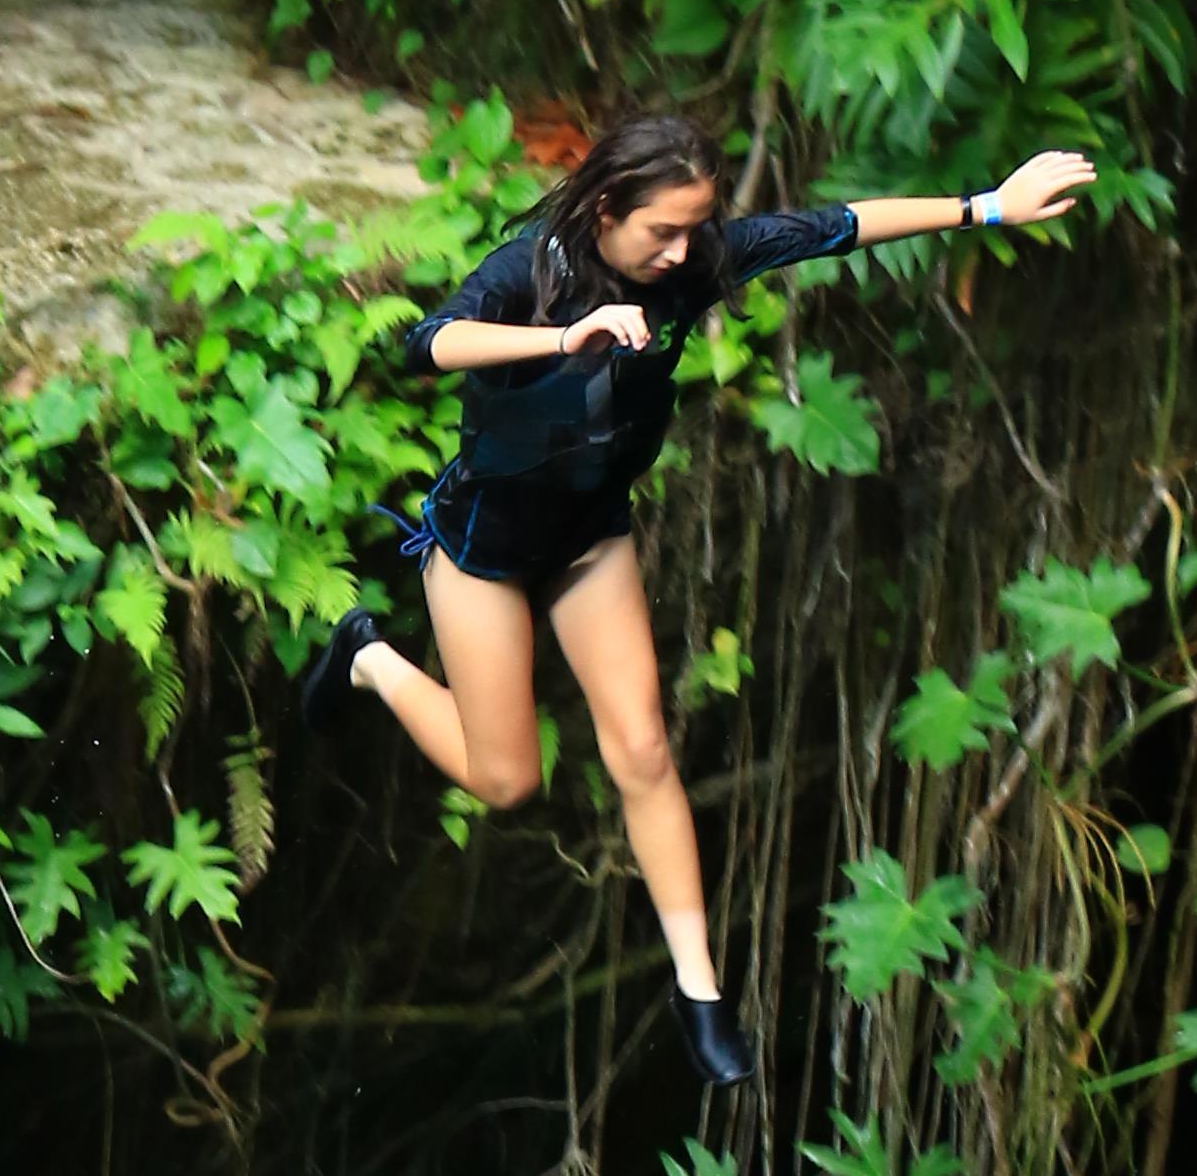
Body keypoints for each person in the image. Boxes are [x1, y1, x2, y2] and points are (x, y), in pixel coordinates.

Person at [300, 106, 1100, 1087]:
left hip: (590, 538)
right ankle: (370, 658)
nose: (684, 254)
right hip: (484, 547)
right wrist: (565, 341)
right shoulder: (533, 271)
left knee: (642, 744)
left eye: (695, 230)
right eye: (662, 233)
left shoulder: (703, 258)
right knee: (507, 782)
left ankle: (699, 990)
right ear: (604, 209)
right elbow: (428, 344)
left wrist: (986, 207)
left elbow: (836, 224)